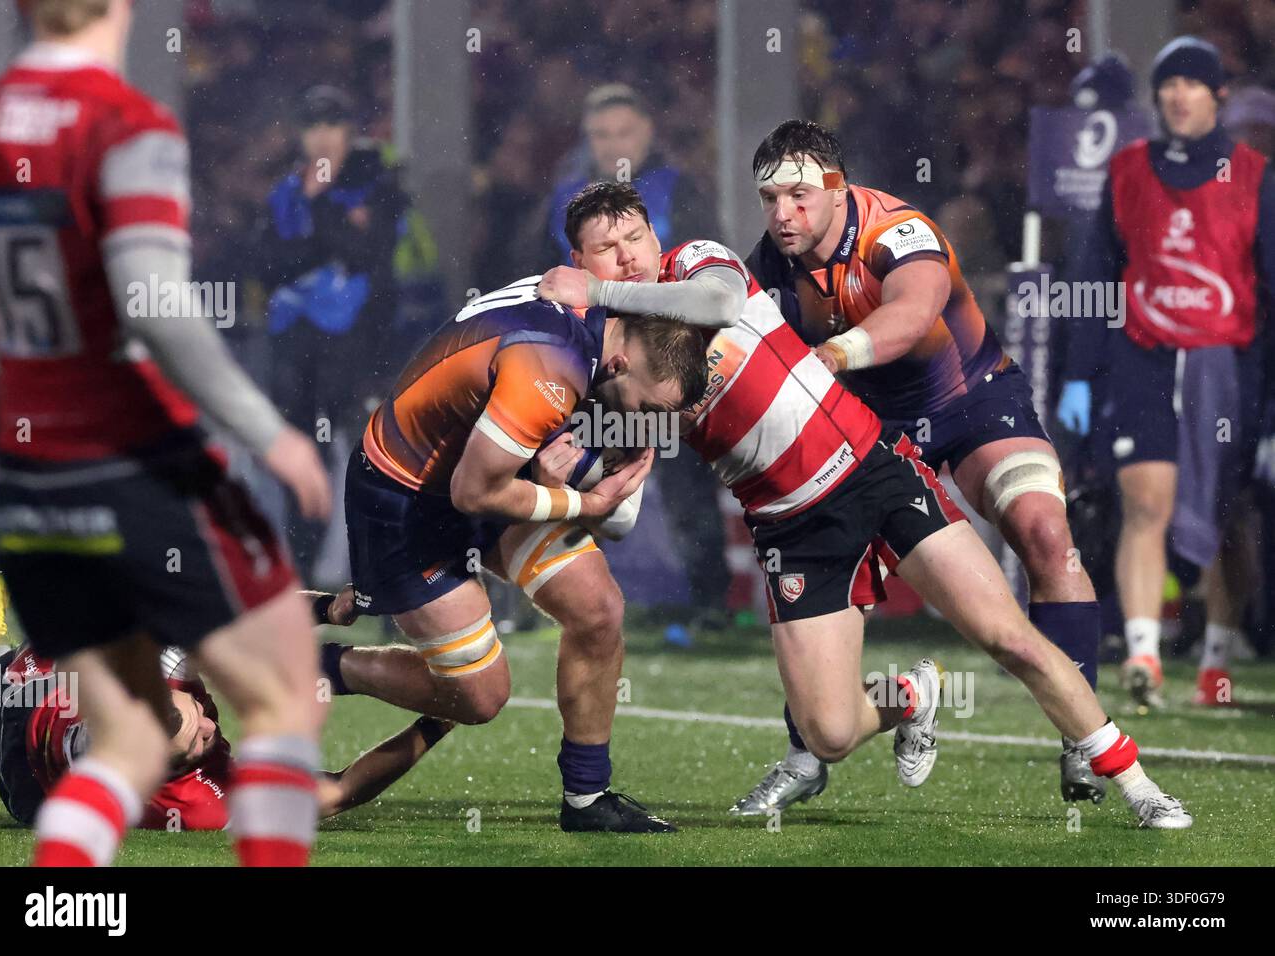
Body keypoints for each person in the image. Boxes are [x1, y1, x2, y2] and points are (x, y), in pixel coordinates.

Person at [538, 181, 1193, 829]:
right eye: (605, 249)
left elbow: (722, 299)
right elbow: (620, 507)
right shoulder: (604, 363)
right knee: (829, 733)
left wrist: (598, 294)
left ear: (655, 235)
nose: (627, 256)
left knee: (1008, 636)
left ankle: (1139, 786)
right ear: (576, 264)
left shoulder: (697, 265)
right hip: (792, 525)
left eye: (634, 236)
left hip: (869, 470)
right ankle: (911, 696)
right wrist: (575, 488)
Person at [0, 0, 331, 866]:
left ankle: (60, 902)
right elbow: (155, 306)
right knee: (287, 691)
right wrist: (268, 433)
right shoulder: (126, 124)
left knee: (131, 738)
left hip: (32, 473)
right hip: (128, 458)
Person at [717, 119, 1107, 811]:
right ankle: (807, 753)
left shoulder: (897, 230)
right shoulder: (767, 270)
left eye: (800, 195)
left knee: (1047, 533)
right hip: (873, 427)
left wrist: (832, 355)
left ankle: (1083, 740)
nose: (783, 213)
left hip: (973, 400)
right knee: (823, 565)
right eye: (769, 197)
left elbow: (913, 310)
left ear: (839, 190)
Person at [311, 280, 708, 832]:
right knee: (480, 697)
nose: (646, 424)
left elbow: (723, 299)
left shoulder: (591, 308)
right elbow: (474, 493)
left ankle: (587, 799)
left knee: (597, 609)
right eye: (648, 406)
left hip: (484, 469)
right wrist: (583, 501)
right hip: (405, 501)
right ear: (618, 363)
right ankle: (328, 666)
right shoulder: (551, 369)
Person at [1056, 37, 1275, 709]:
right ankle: (1145, 652)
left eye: (1192, 83)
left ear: (1218, 97)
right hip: (1143, 357)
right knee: (1145, 503)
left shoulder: (1255, 175)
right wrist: (1079, 373)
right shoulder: (1126, 171)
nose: (1179, 94)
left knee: (1225, 514)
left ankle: (1217, 660)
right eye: (1168, 83)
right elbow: (1094, 276)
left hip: (1224, 364)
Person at [0, 577, 449, 829]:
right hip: (33, 783)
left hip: (51, 689)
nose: (209, 729)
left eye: (193, 718)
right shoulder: (201, 805)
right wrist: (435, 727)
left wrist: (326, 608)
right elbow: (342, 791)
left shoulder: (159, 669)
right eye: (197, 743)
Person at [543, 84, 731, 633]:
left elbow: (707, 285)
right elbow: (539, 272)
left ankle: (709, 599)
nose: (613, 146)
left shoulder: (678, 189)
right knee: (567, 467)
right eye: (601, 135)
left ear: (648, 132)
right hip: (591, 366)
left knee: (682, 480)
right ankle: (555, 594)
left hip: (663, 368)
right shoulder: (567, 198)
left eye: (624, 133)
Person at [255, 84, 426, 584]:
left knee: (376, 459)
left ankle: (391, 582)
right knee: (302, 460)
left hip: (363, 349)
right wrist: (329, 228)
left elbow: (365, 253)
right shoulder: (286, 190)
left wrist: (321, 210)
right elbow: (266, 265)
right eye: (313, 126)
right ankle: (304, 584)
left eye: (333, 126)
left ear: (351, 132)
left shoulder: (380, 184)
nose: (322, 138)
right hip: (298, 351)